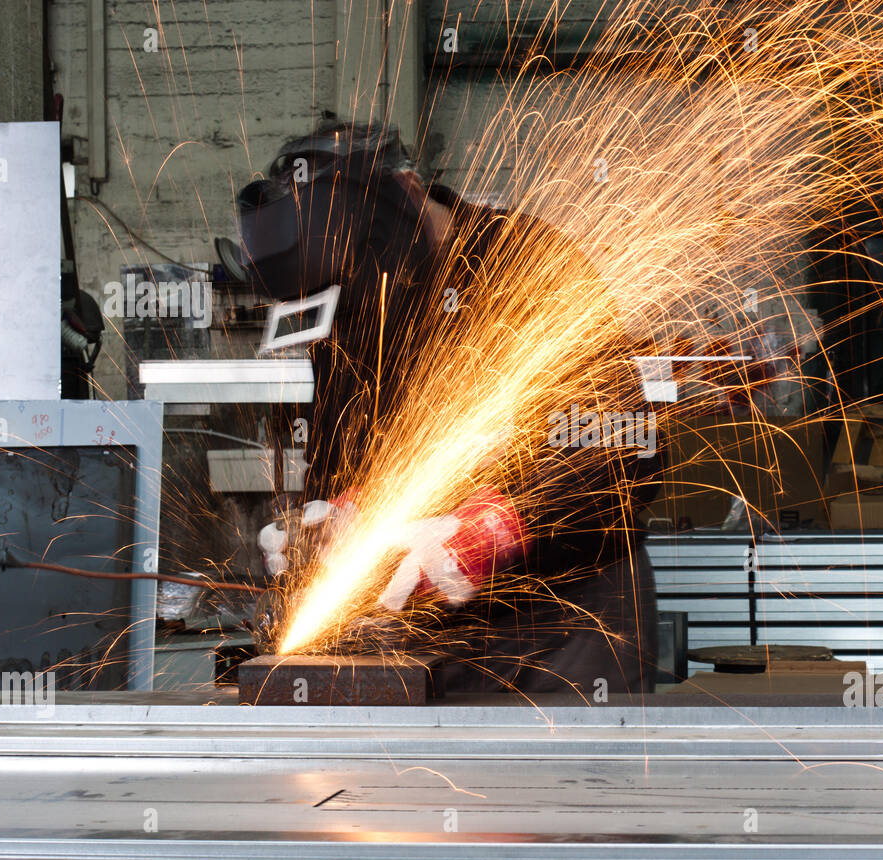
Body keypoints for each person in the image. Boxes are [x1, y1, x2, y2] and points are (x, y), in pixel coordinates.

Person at [240, 122, 661, 697]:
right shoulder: (353, 313)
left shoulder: (528, 266)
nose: (346, 323)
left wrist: (501, 525)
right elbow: (343, 463)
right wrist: (333, 520)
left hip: (564, 638)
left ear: (408, 195)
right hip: (435, 647)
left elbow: (625, 448)